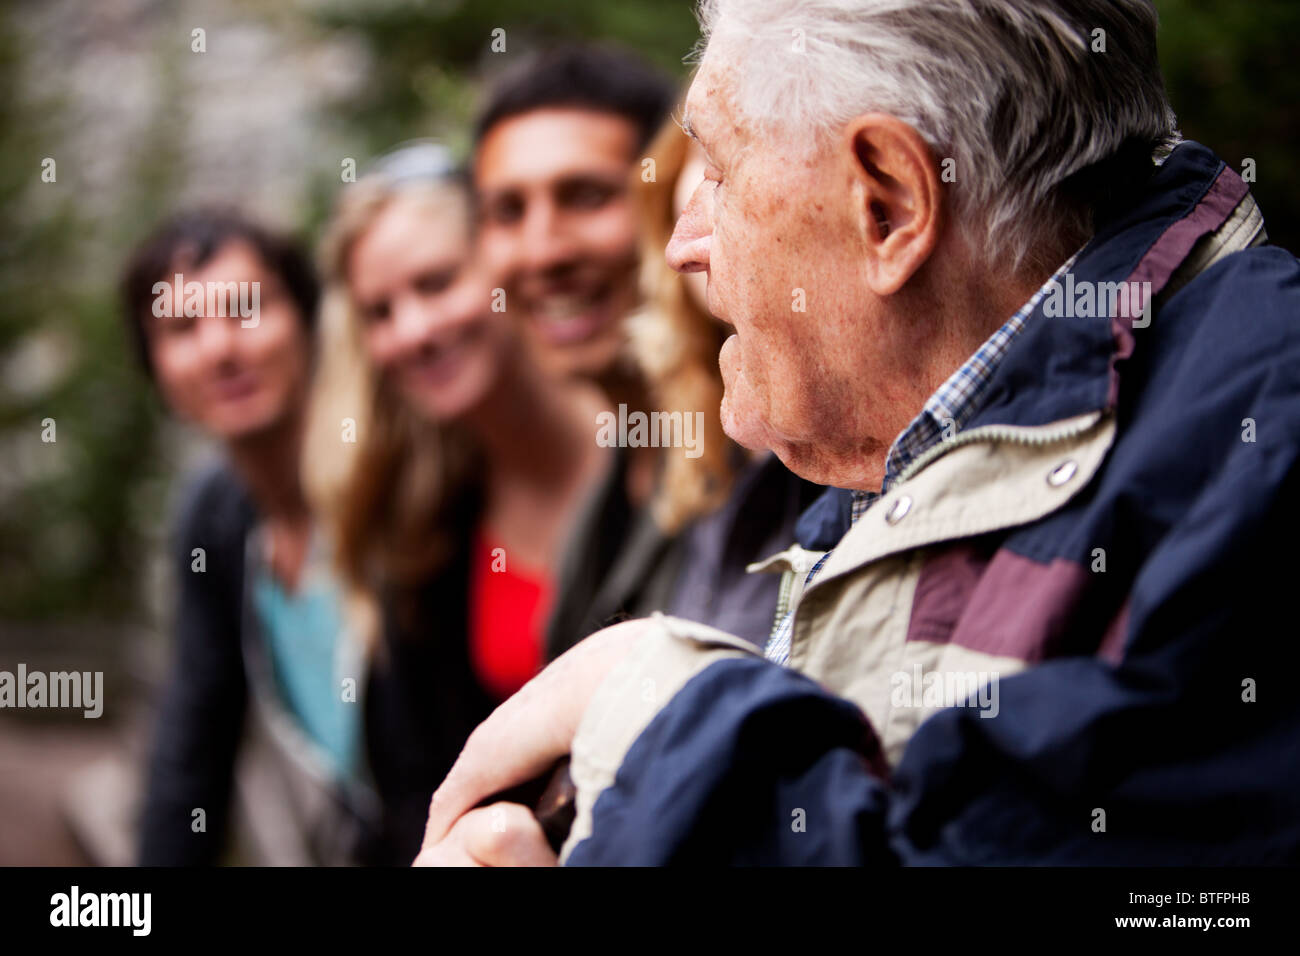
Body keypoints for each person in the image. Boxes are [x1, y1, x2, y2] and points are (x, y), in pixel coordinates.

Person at [415, 0, 1300, 866]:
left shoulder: (1262, 446)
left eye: (718, 172)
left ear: (891, 203)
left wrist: (650, 705)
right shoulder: (911, 442)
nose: (681, 243)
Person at [303, 143, 607, 862]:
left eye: (436, 284)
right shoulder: (424, 525)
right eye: (380, 311)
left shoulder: (654, 447)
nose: (413, 330)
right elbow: (419, 793)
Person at [126, 210, 370, 865]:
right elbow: (191, 748)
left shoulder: (387, 473)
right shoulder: (216, 516)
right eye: (181, 329)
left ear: (309, 318)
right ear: (153, 367)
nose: (220, 348)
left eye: (246, 309)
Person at [471, 45, 684, 652]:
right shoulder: (607, 499)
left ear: (672, 197)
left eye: (586, 196)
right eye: (508, 211)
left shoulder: (769, 463)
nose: (544, 252)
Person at [626, 117, 823, 646]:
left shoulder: (845, 448)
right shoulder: (689, 447)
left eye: (725, 171)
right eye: (706, 167)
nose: (682, 245)